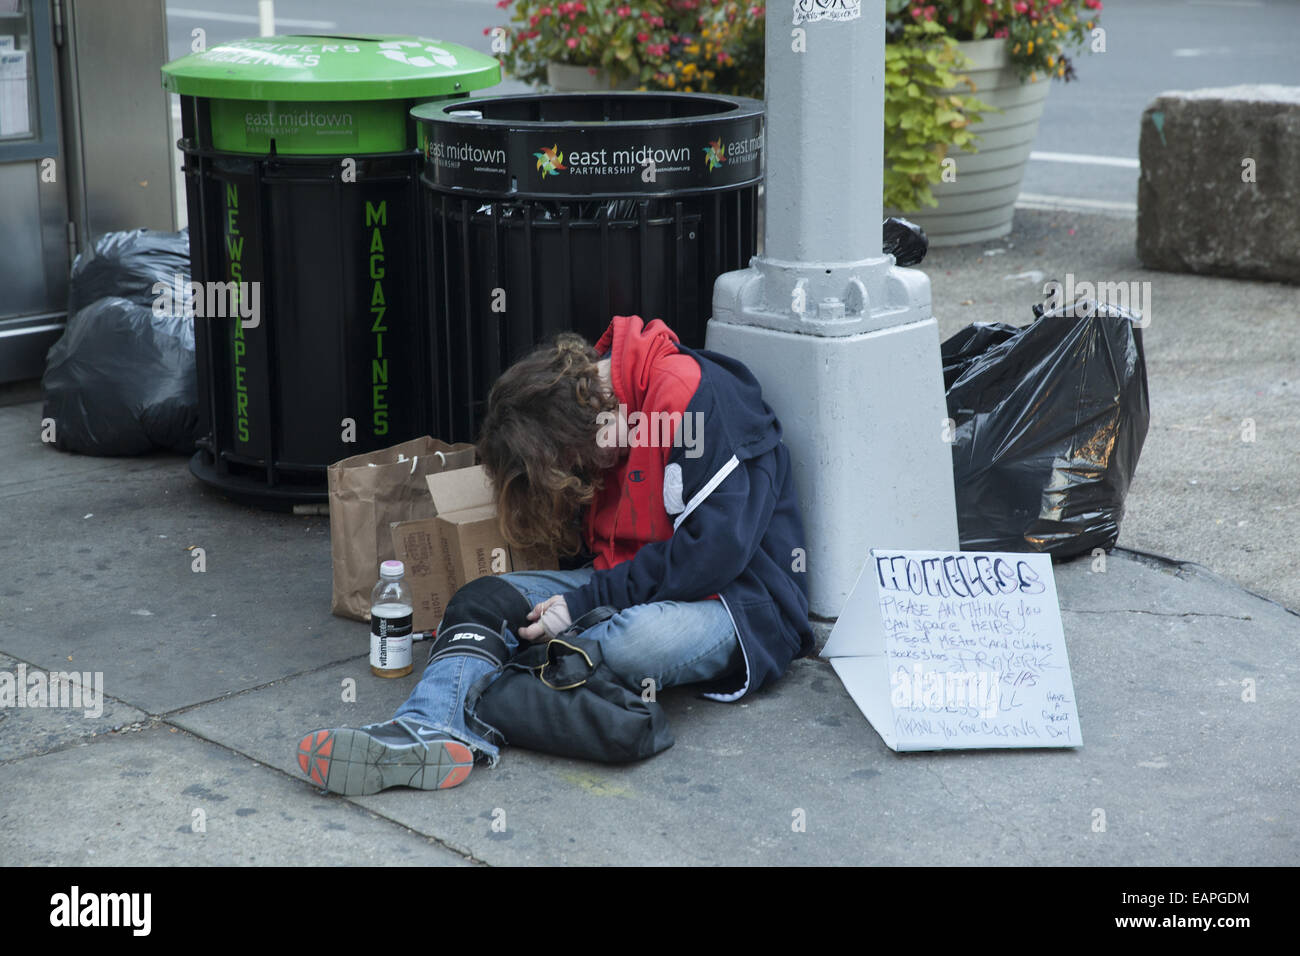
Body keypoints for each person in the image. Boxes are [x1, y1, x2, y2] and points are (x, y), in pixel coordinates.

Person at [296, 315, 813, 795]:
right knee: (484, 599)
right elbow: (605, 562)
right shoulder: (605, 423)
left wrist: (582, 603)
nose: (583, 473)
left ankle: (482, 691)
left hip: (736, 601)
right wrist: (578, 598)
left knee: (637, 643)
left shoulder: (689, 396)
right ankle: (426, 726)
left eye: (571, 461)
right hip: (626, 586)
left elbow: (713, 554)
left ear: (576, 427)